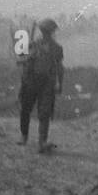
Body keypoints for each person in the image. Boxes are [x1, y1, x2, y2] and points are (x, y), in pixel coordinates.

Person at [19, 19, 63, 154]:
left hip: (46, 84)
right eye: (46, 31)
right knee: (25, 109)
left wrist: (59, 83)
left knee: (44, 113)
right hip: (31, 81)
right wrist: (26, 55)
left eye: (48, 31)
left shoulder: (57, 48)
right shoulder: (33, 44)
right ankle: (24, 136)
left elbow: (59, 67)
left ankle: (41, 142)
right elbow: (21, 56)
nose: (47, 34)